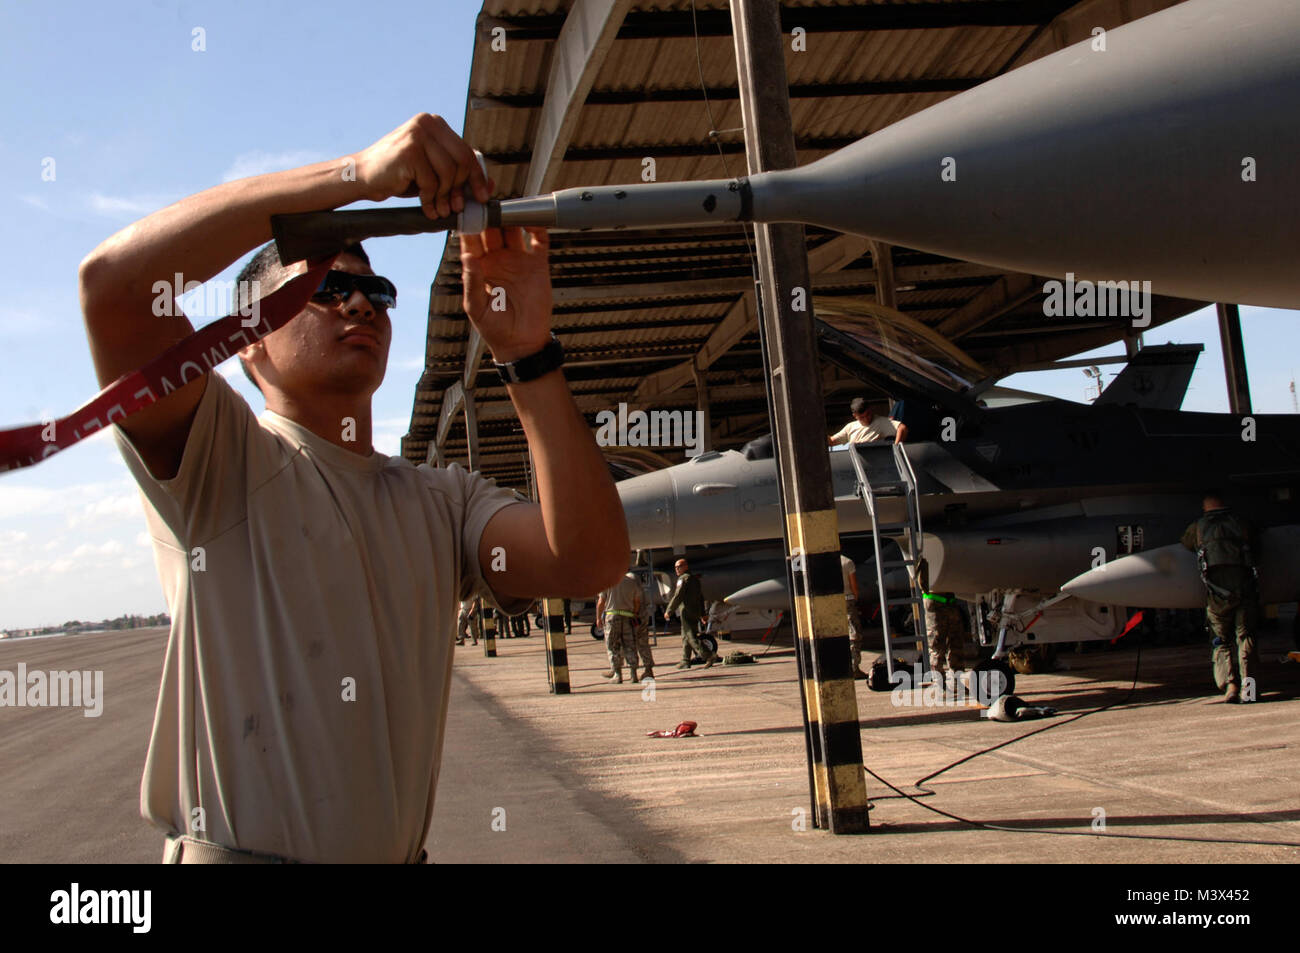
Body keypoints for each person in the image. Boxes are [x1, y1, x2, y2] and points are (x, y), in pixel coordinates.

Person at [82, 113, 629, 863]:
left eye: (376, 289)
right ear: (248, 344)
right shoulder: (219, 458)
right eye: (325, 286)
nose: (361, 302)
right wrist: (354, 176)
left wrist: (527, 353)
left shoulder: (442, 500)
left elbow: (587, 563)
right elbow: (114, 287)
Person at [1181, 492, 1259, 703]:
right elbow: (1256, 540)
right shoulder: (1241, 524)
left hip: (1217, 594)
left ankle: (1230, 686)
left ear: (1205, 509)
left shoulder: (1197, 527)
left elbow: (1187, 544)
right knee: (1246, 638)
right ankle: (1249, 690)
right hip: (1245, 589)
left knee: (1220, 640)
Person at [666, 558, 713, 669]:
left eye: (679, 566)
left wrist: (669, 610)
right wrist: (703, 614)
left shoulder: (683, 579)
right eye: (676, 567)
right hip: (694, 611)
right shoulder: (695, 579)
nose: (677, 569)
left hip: (686, 611)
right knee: (685, 636)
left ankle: (709, 655)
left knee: (691, 636)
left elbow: (678, 596)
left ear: (686, 567)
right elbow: (700, 597)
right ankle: (685, 660)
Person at [597, 570, 642, 684]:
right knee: (630, 645)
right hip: (628, 617)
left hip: (612, 617)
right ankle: (633, 674)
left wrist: (598, 618)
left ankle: (617, 674)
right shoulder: (632, 582)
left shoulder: (607, 582)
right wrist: (635, 613)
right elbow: (637, 601)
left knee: (613, 645)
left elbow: (601, 601)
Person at [828, 397, 907, 446]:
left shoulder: (880, 422)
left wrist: (897, 448)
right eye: (862, 417)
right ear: (855, 416)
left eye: (868, 414)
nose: (866, 419)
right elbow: (831, 441)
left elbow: (902, 428)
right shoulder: (850, 427)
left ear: (870, 410)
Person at [841, 555, 867, 679]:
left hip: (831, 602)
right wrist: (856, 598)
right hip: (848, 601)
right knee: (854, 634)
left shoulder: (825, 562)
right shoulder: (847, 562)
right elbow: (854, 585)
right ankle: (854, 667)